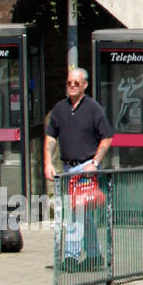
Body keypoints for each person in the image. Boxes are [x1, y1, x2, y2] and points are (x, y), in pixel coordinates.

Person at [43, 67, 114, 267]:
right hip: (67, 169)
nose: (72, 86)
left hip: (85, 169)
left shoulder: (93, 108)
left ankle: (72, 257)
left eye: (76, 82)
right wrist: (48, 162)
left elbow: (107, 137)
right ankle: (94, 257)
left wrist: (95, 163)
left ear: (85, 85)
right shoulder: (59, 109)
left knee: (76, 212)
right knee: (84, 214)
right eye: (69, 83)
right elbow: (50, 137)